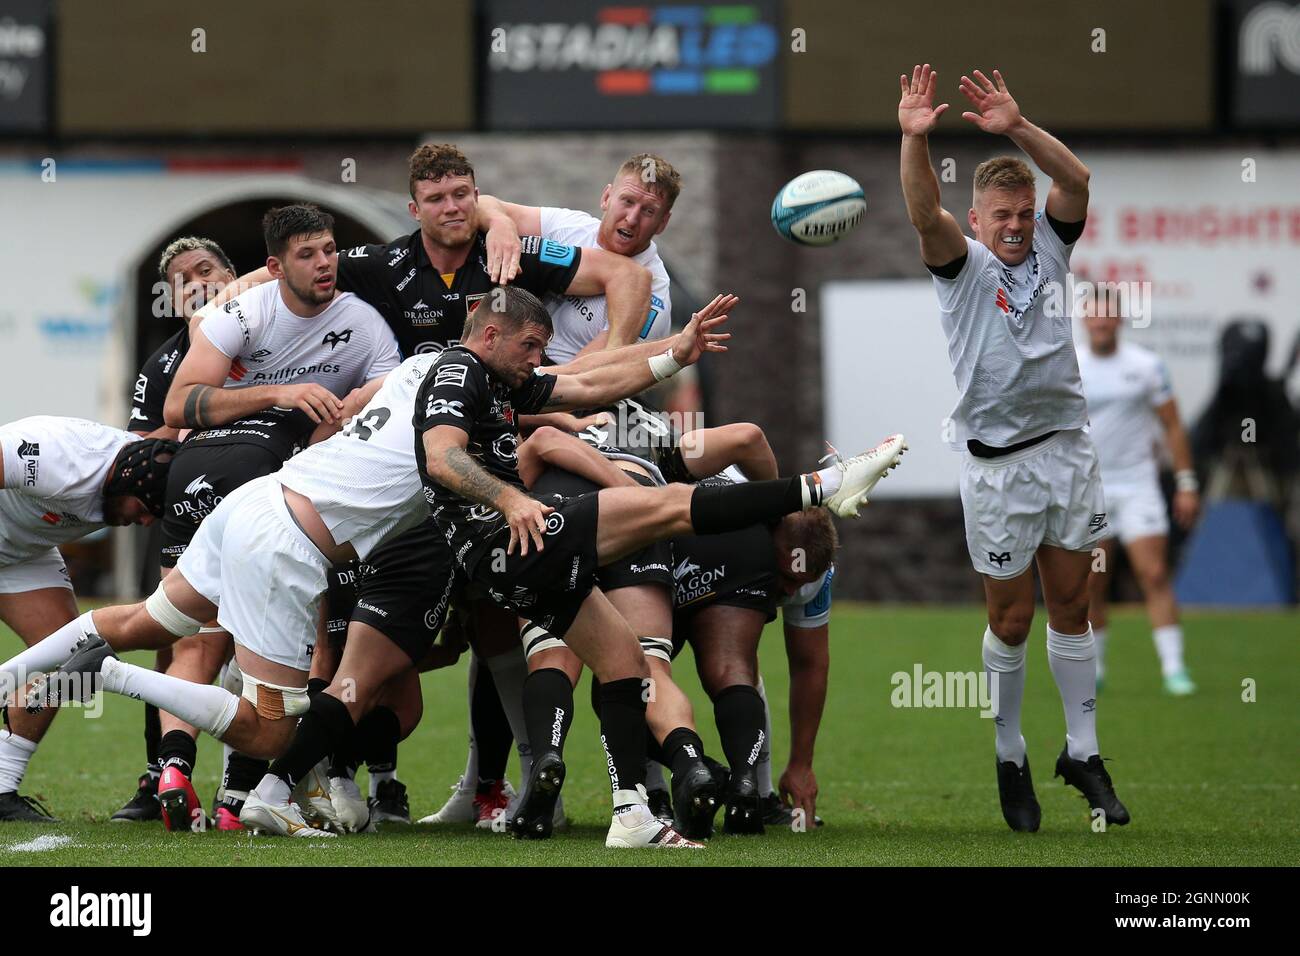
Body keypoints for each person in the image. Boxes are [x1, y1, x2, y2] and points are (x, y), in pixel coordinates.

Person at [413, 286, 904, 847]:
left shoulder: (506, 380)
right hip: (506, 537)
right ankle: (825, 484)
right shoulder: (458, 370)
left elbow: (590, 383)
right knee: (672, 504)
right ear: (490, 335)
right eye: (530, 346)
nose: (537, 359)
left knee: (627, 663)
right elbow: (441, 456)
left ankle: (631, 816)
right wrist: (509, 499)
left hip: (518, 553)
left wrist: (676, 353)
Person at [898, 63, 1128, 831]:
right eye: (1003, 214)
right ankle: (1009, 753)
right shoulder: (962, 267)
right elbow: (923, 211)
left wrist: (1019, 126)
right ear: (978, 217)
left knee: (1073, 606)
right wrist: (914, 139)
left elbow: (1078, 179)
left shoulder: (1053, 250)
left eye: (1025, 212)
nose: (1018, 225)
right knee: (1011, 622)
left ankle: (1083, 751)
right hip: (997, 470)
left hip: (1067, 451)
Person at [138, 204, 401, 831]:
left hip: (220, 477)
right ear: (274, 268)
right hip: (252, 481)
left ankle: (173, 768)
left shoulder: (362, 322)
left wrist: (347, 408)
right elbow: (176, 408)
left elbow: (390, 400)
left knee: (189, 639)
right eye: (307, 254)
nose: (325, 264)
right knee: (284, 645)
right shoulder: (239, 314)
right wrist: (282, 393)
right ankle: (251, 792)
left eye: (329, 250)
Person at [114, 236, 238, 824]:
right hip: (190, 509)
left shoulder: (281, 331)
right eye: (183, 281)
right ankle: (157, 775)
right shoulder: (164, 364)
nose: (198, 285)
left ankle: (270, 785)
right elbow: (141, 449)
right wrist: (188, 427)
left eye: (206, 270)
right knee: (175, 635)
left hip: (282, 508)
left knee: (282, 641)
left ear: (234, 275)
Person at [0, 417, 176, 821]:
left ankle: (1, 784)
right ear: (126, 482)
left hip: (22, 555)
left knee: (72, 658)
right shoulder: (60, 457)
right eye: (144, 509)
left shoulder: (145, 464)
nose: (145, 522)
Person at [1078, 293, 1201, 695]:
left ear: (1120, 320)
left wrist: (1186, 483)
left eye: (1107, 315)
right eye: (1094, 316)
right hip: (1090, 491)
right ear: (1084, 320)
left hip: (1138, 486)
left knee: (1155, 573)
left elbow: (1173, 425)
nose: (1101, 322)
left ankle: (1174, 669)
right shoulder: (1070, 364)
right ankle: (1095, 668)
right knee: (1094, 580)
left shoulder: (1145, 365)